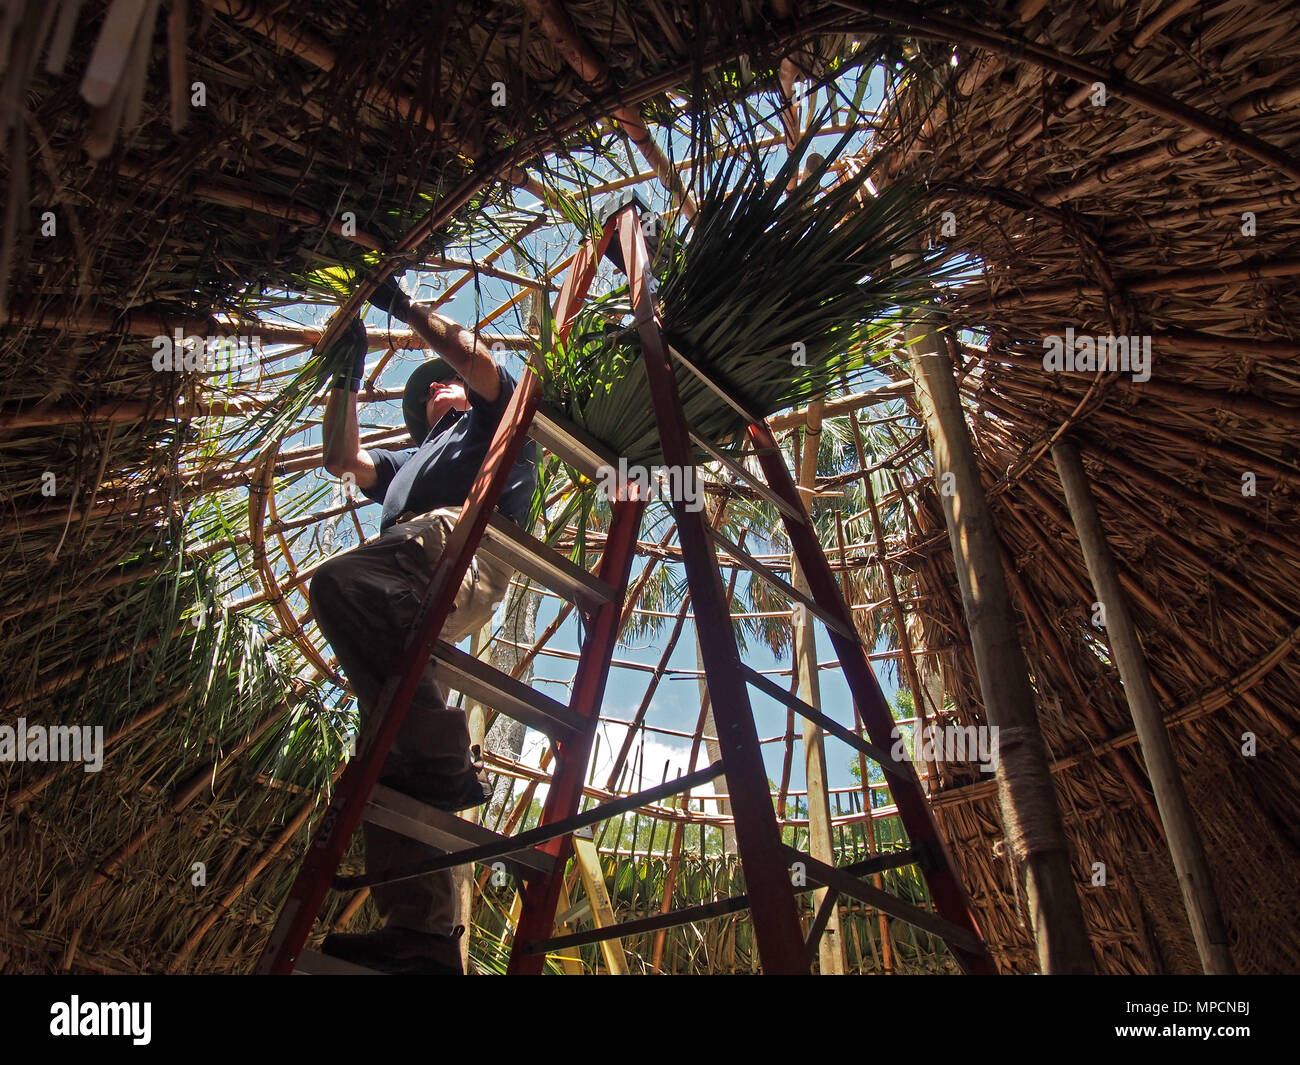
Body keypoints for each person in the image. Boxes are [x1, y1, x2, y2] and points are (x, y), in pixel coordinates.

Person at [307, 279, 538, 974]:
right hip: (412, 565)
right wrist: (344, 380)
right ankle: (427, 933)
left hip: (465, 540)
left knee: (337, 582)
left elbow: (478, 362)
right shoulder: (410, 461)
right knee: (390, 753)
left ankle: (442, 747)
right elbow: (341, 460)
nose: (436, 389)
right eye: (428, 391)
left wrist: (405, 310)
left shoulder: (493, 419)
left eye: (443, 385)